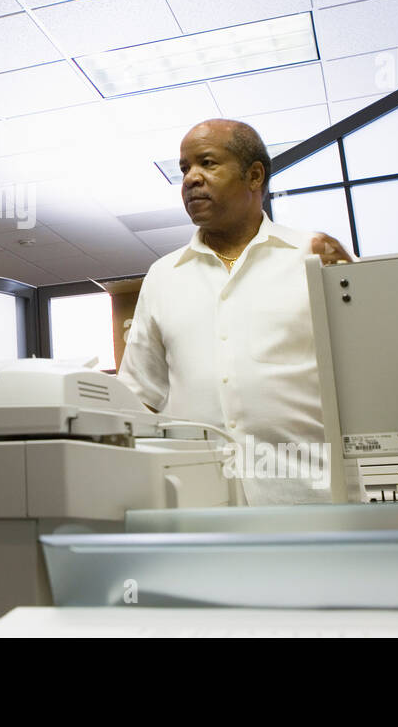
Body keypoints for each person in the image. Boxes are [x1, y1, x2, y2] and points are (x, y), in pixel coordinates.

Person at [116, 119, 349, 505]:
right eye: (185, 168)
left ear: (254, 175)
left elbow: (368, 370)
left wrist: (352, 280)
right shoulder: (163, 276)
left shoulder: (313, 257)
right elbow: (139, 395)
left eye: (207, 163)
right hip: (200, 504)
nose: (191, 178)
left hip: (309, 498)